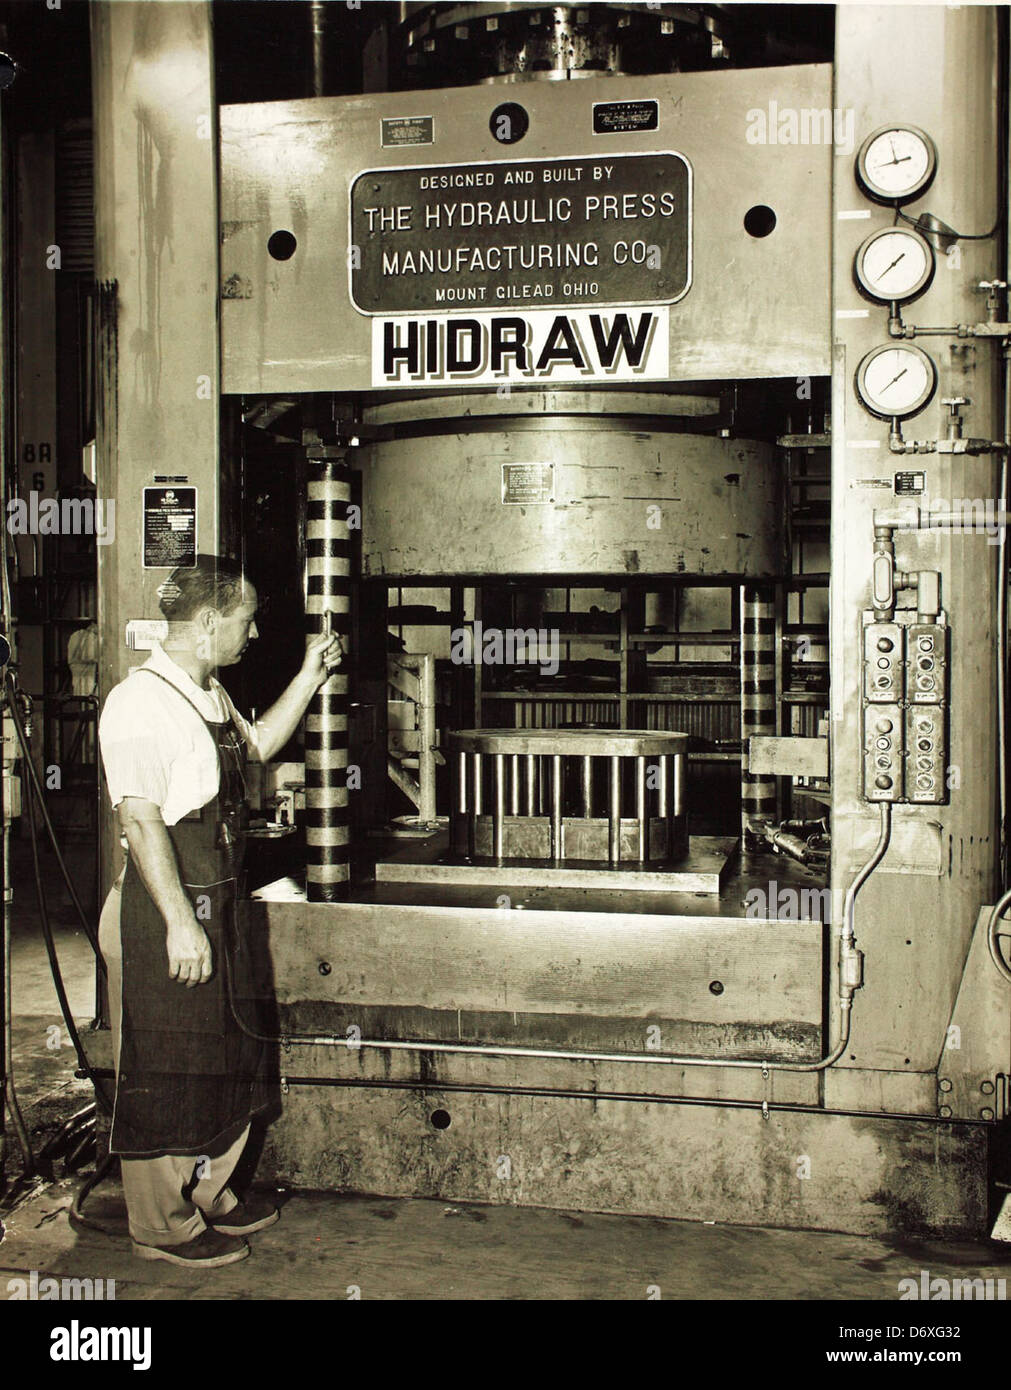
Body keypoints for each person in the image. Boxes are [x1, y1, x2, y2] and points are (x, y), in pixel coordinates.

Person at [97, 555, 341, 1268]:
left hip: (219, 906)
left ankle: (209, 1194)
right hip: (164, 914)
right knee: (170, 1065)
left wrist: (309, 674)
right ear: (206, 623)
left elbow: (259, 745)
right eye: (246, 619)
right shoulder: (138, 702)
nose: (255, 632)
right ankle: (161, 1224)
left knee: (229, 1054)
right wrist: (179, 923)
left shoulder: (208, 694)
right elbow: (142, 823)